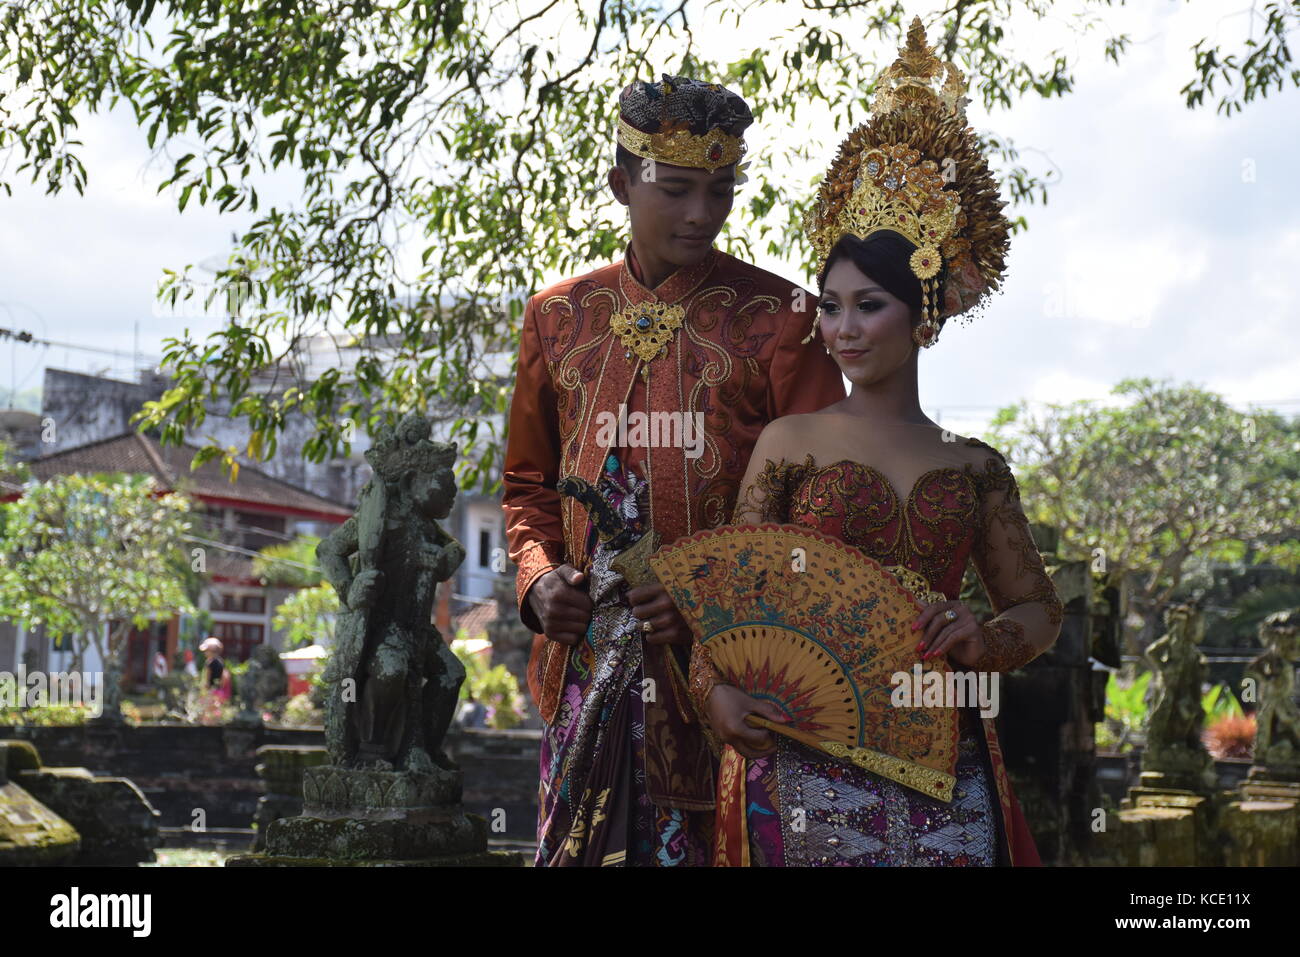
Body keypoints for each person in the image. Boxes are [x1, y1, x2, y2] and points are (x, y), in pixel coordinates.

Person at [690, 18, 1064, 866]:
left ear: (923, 312)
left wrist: (982, 637)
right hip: (800, 748)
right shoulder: (789, 442)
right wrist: (715, 694)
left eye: (869, 305)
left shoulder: (976, 467)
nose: (843, 327)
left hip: (945, 753)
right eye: (830, 304)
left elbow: (1039, 608)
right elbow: (729, 603)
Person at [503, 74, 845, 866]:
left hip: (730, 668)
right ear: (621, 183)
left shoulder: (782, 319)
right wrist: (537, 579)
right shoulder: (557, 316)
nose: (703, 214)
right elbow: (527, 486)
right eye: (679, 190)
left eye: (721, 191)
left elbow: (825, 514)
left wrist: (714, 599)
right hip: (584, 662)